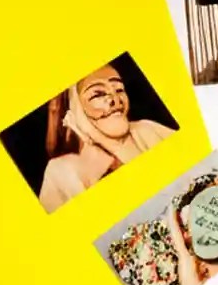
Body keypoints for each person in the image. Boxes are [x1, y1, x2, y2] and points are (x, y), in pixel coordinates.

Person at [38, 64, 175, 212]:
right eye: (98, 94)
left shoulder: (147, 130)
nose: (115, 100)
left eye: (119, 90)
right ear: (76, 108)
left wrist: (109, 143)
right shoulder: (60, 170)